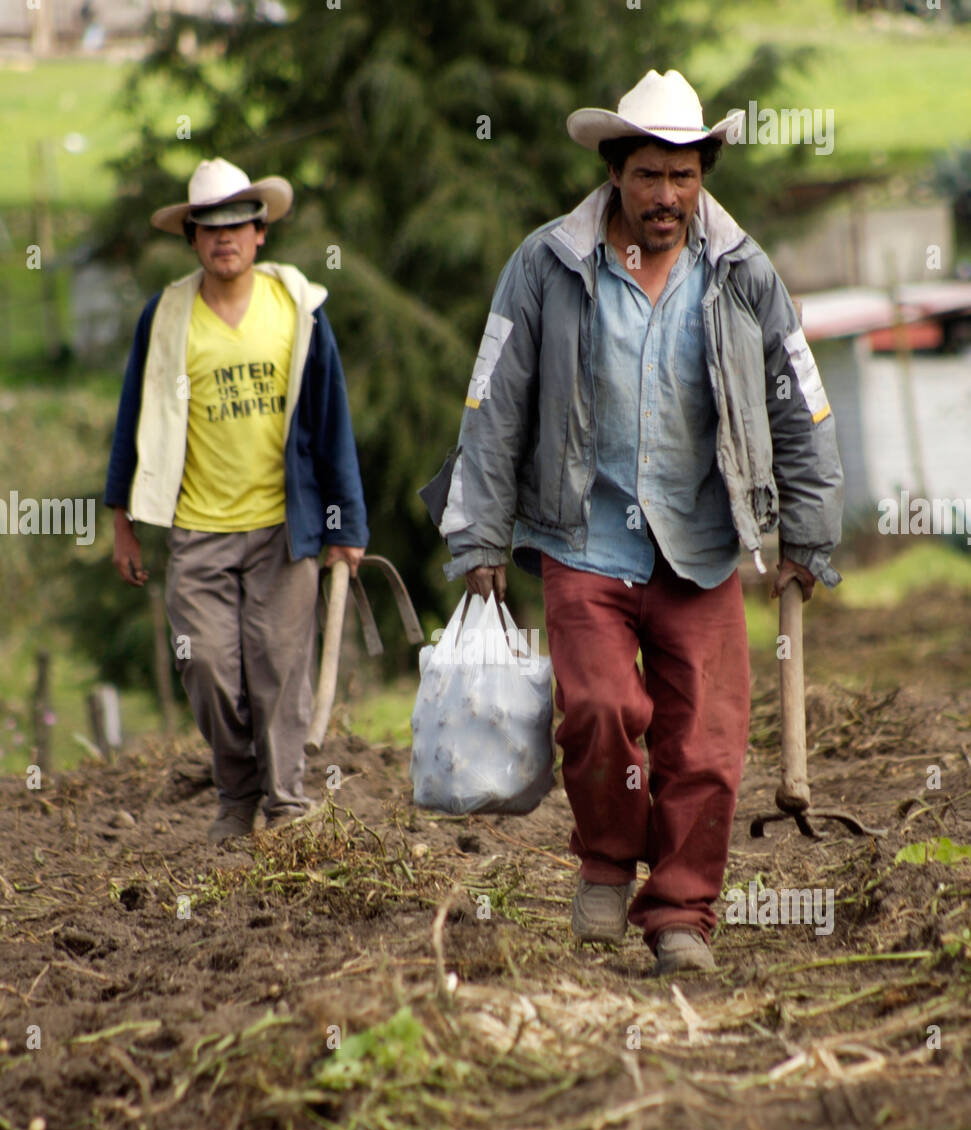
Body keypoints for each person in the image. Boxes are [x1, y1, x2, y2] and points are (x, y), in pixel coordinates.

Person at [420, 70, 843, 975]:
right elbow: (494, 403)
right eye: (649, 175)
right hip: (585, 535)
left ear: (704, 175)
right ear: (615, 171)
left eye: (684, 176)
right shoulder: (545, 266)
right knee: (600, 710)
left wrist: (807, 530)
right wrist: (479, 536)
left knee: (706, 743)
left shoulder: (742, 275)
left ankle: (681, 913)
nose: (667, 196)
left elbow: (797, 401)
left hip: (700, 540)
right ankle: (608, 861)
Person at [105, 157, 368, 842]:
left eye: (236, 225)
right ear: (192, 239)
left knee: (281, 670)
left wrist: (346, 522)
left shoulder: (299, 312)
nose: (223, 238)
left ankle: (283, 803)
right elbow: (135, 413)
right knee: (207, 665)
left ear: (260, 234)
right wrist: (121, 517)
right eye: (208, 228)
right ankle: (236, 789)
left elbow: (329, 421)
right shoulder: (165, 318)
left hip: (286, 528)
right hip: (196, 528)